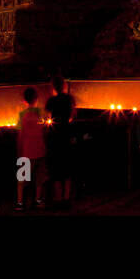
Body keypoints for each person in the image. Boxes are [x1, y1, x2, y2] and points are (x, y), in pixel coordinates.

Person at [44, 76, 77, 207]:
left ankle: (58, 199)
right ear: (63, 85)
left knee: (56, 169)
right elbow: (73, 115)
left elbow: (47, 116)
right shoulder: (69, 99)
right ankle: (67, 198)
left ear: (52, 87)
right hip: (66, 134)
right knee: (67, 168)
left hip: (55, 136)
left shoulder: (51, 101)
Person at [15, 87, 48, 210]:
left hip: (26, 151)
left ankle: (20, 203)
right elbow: (44, 129)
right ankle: (38, 200)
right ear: (37, 99)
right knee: (39, 178)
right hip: (40, 150)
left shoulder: (21, 115)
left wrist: (19, 151)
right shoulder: (40, 114)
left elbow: (20, 135)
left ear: (24, 101)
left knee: (22, 179)